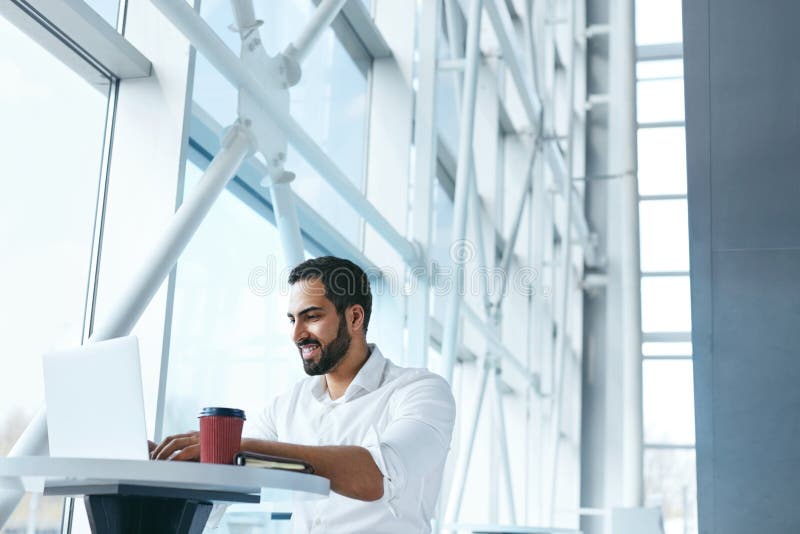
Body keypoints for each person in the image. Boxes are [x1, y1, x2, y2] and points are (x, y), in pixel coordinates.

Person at [151, 256, 456, 533]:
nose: (297, 335)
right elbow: (231, 474)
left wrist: (242, 445)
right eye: (292, 320)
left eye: (311, 317)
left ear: (355, 318)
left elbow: (378, 475)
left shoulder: (421, 391)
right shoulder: (289, 404)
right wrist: (169, 470)